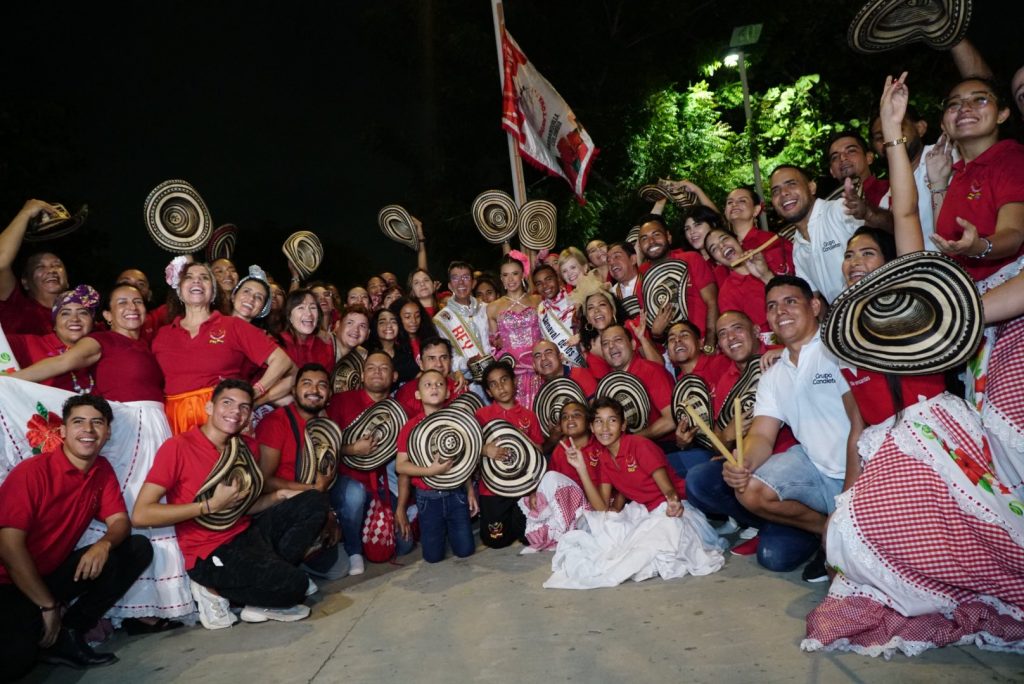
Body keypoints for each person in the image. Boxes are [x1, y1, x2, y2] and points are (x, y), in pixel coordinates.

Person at [803, 73, 1024, 658]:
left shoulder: (924, 297)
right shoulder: (848, 338)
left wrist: (895, 136)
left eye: (867, 251)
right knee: (850, 533)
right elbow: (857, 427)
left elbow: (905, 213)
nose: (855, 262)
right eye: (847, 257)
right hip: (889, 441)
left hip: (939, 429)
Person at [133, 379, 328, 629]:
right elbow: (141, 514)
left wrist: (279, 497)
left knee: (313, 500)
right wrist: (208, 506)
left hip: (247, 536)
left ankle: (263, 590)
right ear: (209, 408)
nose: (236, 412)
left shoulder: (246, 446)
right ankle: (213, 589)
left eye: (244, 407)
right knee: (296, 586)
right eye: (227, 403)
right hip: (210, 554)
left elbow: (242, 507)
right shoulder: (178, 447)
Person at [0, 395, 153, 676]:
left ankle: (67, 634)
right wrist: (47, 605)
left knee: (136, 548)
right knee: (15, 662)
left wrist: (104, 544)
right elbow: (9, 549)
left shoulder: (101, 470)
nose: (88, 430)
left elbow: (119, 521)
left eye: (97, 423)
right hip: (9, 583)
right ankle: (43, 627)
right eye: (78, 422)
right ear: (63, 431)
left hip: (51, 575)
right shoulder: (31, 472)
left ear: (107, 432)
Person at [710, 276, 851, 580]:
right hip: (815, 468)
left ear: (814, 306)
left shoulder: (838, 349)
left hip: (861, 470)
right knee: (746, 487)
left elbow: (862, 428)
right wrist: (743, 463)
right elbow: (762, 434)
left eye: (790, 302)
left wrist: (850, 494)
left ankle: (843, 530)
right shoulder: (773, 375)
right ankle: (825, 529)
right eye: (772, 306)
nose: (781, 311)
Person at [542, 397, 724, 590]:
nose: (605, 427)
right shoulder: (604, 457)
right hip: (645, 513)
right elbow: (602, 507)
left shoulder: (639, 445)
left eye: (612, 420)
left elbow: (668, 488)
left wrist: (673, 502)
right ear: (592, 428)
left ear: (623, 425)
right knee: (605, 532)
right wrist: (581, 468)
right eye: (598, 421)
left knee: (646, 552)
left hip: (674, 510)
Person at [152, 261, 295, 434]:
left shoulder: (233, 326)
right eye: (189, 277)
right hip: (173, 421)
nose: (196, 281)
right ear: (179, 292)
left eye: (204, 278)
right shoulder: (162, 335)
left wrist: (254, 393)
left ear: (213, 293)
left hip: (221, 419)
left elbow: (282, 361)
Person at [256, 363, 347, 580]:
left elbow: (325, 479)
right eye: (307, 384)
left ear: (329, 394)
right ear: (294, 390)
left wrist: (329, 515)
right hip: (277, 508)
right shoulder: (275, 423)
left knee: (340, 569)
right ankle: (282, 569)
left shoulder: (327, 427)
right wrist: (313, 493)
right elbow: (264, 482)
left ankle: (303, 556)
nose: (314, 390)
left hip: (312, 505)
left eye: (321, 385)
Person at [929, 76, 1024, 281]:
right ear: (944, 124)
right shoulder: (957, 171)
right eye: (954, 103)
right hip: (966, 292)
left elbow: (1014, 234)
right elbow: (947, 240)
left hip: (1007, 293)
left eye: (979, 99)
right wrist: (938, 183)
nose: (964, 107)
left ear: (1002, 114)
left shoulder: (1013, 158)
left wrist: (979, 247)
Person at [326, 351, 406, 575]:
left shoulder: (397, 412)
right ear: (361, 375)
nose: (377, 373)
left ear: (394, 376)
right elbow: (322, 447)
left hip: (382, 484)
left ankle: (362, 530)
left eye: (383, 368)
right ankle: (353, 551)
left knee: (404, 545)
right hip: (347, 480)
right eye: (371, 368)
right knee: (355, 496)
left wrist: (400, 508)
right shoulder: (342, 401)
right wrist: (352, 449)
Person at [768, 164, 887, 303]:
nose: (783, 193)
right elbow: (811, 302)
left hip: (882, 307)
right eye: (775, 191)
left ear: (812, 187)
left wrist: (868, 213)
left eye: (791, 184)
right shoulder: (798, 248)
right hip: (847, 319)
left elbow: (891, 232)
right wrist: (765, 274)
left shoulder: (839, 210)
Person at [395, 370, 478, 563]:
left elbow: (465, 459)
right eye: (428, 385)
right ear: (418, 394)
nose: (434, 387)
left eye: (440, 384)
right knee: (432, 557)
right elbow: (401, 466)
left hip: (456, 494)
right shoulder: (411, 427)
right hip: (428, 498)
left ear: (448, 393)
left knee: (465, 551)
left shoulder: (458, 422)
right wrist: (430, 471)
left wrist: (470, 491)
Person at [518, 400, 605, 550]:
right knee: (548, 479)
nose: (570, 419)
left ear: (589, 423)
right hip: (569, 507)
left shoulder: (599, 446)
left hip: (594, 505)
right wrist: (536, 494)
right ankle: (557, 531)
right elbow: (550, 484)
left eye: (576, 415)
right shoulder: (560, 449)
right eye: (565, 417)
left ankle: (561, 531)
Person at [474, 361, 543, 548]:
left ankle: (518, 520)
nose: (500, 387)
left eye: (504, 380)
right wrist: (484, 449)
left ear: (514, 382)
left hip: (523, 486)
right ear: (488, 391)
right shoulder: (480, 415)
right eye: (493, 384)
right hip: (492, 488)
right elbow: (467, 447)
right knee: (496, 541)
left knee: (529, 538)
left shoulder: (528, 415)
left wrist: (534, 490)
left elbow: (539, 452)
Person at [635, 215, 718, 347]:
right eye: (644, 239)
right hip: (677, 352)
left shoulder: (691, 259)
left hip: (705, 343)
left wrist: (710, 343)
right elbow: (655, 330)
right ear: (639, 246)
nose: (651, 241)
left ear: (668, 236)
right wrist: (656, 333)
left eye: (656, 235)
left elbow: (712, 302)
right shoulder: (643, 283)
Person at [7, 284, 98, 393]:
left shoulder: (102, 349)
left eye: (83, 313)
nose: (74, 319)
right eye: (65, 314)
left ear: (92, 323)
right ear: (54, 325)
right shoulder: (30, 343)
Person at [0, 200, 70, 335]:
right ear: (25, 282)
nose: (51, 270)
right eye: (40, 267)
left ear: (67, 281)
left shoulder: (85, 319)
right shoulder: (16, 307)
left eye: (57, 265)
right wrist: (25, 213)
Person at [704, 226, 789, 332]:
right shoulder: (727, 294)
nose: (721, 246)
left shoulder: (771, 259)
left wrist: (766, 275)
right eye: (714, 248)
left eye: (724, 239)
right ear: (718, 262)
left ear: (738, 240)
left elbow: (794, 300)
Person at [600, 325, 676, 441]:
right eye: (605, 343)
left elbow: (671, 420)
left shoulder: (651, 371)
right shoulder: (608, 383)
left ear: (633, 345)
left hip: (667, 447)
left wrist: (629, 440)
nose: (611, 346)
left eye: (618, 340)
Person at [487, 255, 543, 409]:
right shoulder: (492, 307)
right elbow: (494, 345)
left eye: (515, 273)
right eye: (505, 275)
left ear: (523, 274)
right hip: (511, 370)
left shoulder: (537, 300)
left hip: (538, 368)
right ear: (501, 278)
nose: (510, 279)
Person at [433, 261, 493, 396]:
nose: (461, 282)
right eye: (455, 278)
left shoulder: (486, 308)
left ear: (473, 283)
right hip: (470, 385)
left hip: (496, 377)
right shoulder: (442, 318)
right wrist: (467, 362)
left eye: (466, 277)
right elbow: (448, 356)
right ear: (449, 285)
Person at [394, 336, 467, 417]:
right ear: (421, 364)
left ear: (450, 362)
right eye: (432, 358)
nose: (439, 364)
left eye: (444, 358)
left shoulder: (459, 388)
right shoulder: (405, 392)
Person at [533, 263, 584, 368]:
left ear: (557, 278)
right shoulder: (541, 310)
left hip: (587, 357)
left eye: (548, 279)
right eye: (539, 283)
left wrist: (582, 336)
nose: (545, 286)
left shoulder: (576, 297)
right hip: (563, 367)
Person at [824, 130, 889, 206]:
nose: (842, 158)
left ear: (869, 158)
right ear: (832, 171)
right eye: (835, 157)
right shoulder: (828, 207)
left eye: (851, 151)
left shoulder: (892, 189)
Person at [279, 289, 335, 370]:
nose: (309, 313)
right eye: (301, 308)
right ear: (289, 316)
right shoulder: (278, 344)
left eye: (312, 307)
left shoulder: (324, 346)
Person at [367, 307, 418, 383]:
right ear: (375, 327)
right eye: (382, 322)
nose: (389, 325)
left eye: (393, 322)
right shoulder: (366, 353)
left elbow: (417, 377)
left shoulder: (405, 355)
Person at [391, 296, 437, 363]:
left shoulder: (429, 339)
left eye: (417, 316)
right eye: (407, 317)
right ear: (397, 318)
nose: (414, 321)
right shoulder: (394, 345)